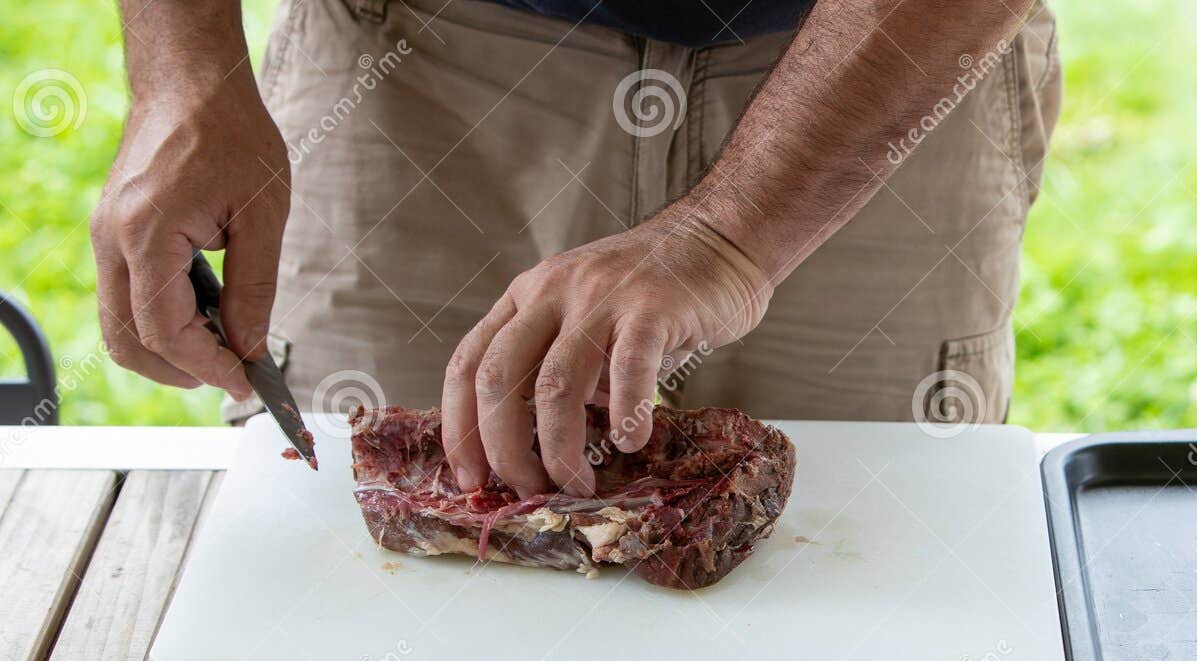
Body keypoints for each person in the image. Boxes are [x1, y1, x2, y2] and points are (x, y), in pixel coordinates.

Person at [92, 0, 1060, 495]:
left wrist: (730, 236)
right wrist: (182, 67)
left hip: (878, 63)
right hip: (408, 72)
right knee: (352, 641)